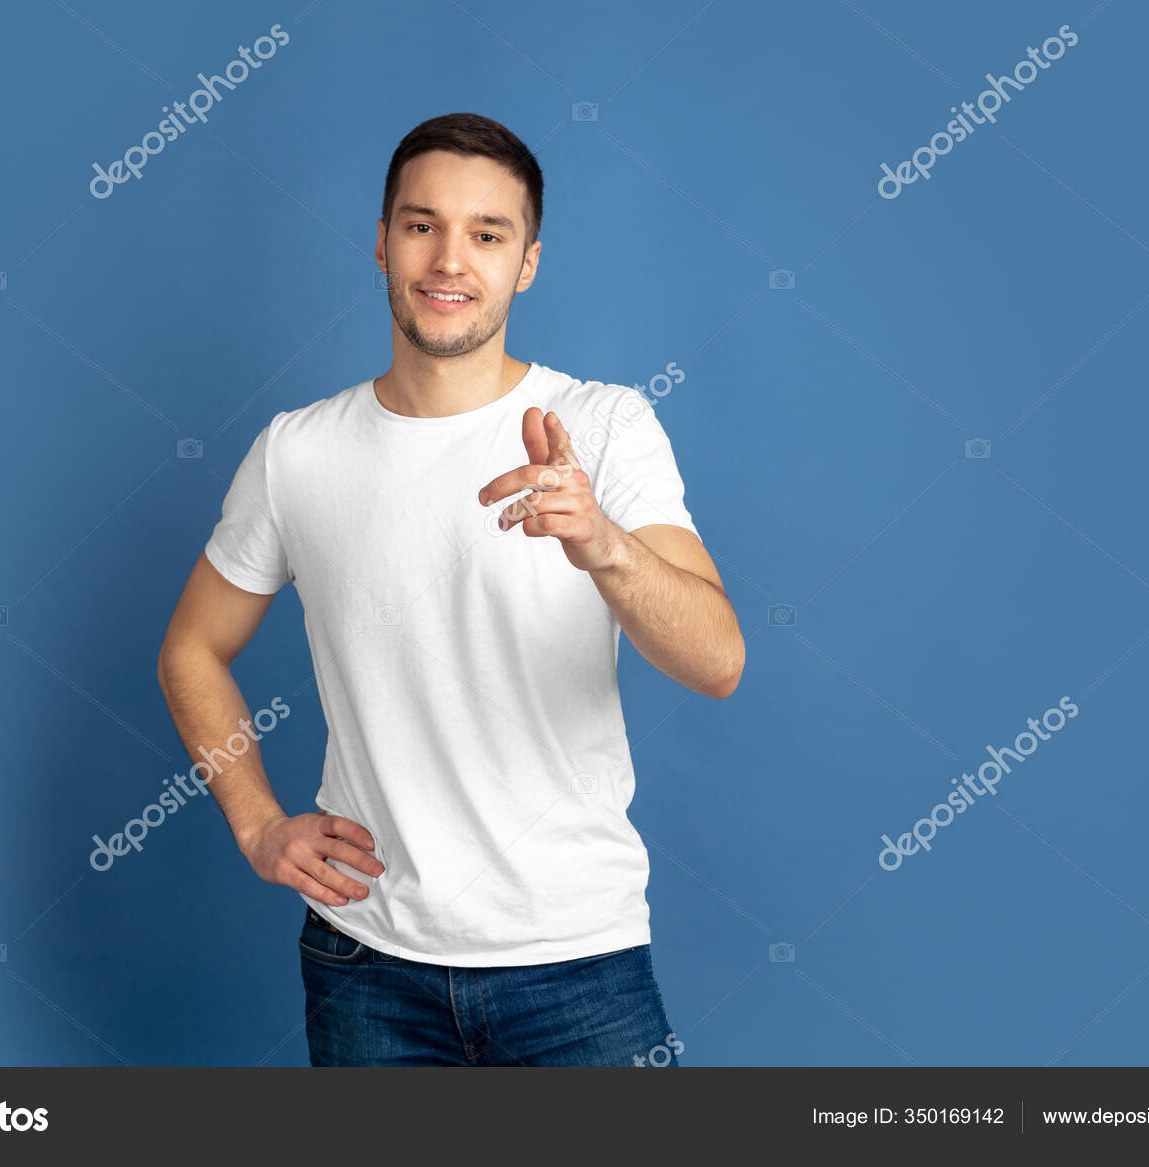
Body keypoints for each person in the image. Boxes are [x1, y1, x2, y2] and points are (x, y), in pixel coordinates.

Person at [158, 112, 744, 1066]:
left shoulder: (602, 425)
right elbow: (191, 648)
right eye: (421, 224)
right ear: (382, 244)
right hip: (365, 962)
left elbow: (718, 659)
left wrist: (604, 544)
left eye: (487, 232)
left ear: (529, 263)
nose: (448, 259)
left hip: (576, 961)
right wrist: (259, 824)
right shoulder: (296, 451)